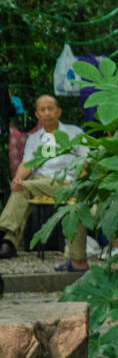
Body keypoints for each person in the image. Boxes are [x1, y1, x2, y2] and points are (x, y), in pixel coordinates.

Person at [0, 95, 88, 269]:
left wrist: (83, 185)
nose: (47, 113)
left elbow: (85, 162)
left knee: (25, 187)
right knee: (21, 187)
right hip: (41, 183)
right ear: (37, 114)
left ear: (59, 111)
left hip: (67, 182)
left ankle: (4, 233)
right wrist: (18, 178)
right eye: (42, 109)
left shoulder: (74, 133)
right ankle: (7, 242)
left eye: (50, 108)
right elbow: (27, 164)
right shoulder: (34, 138)